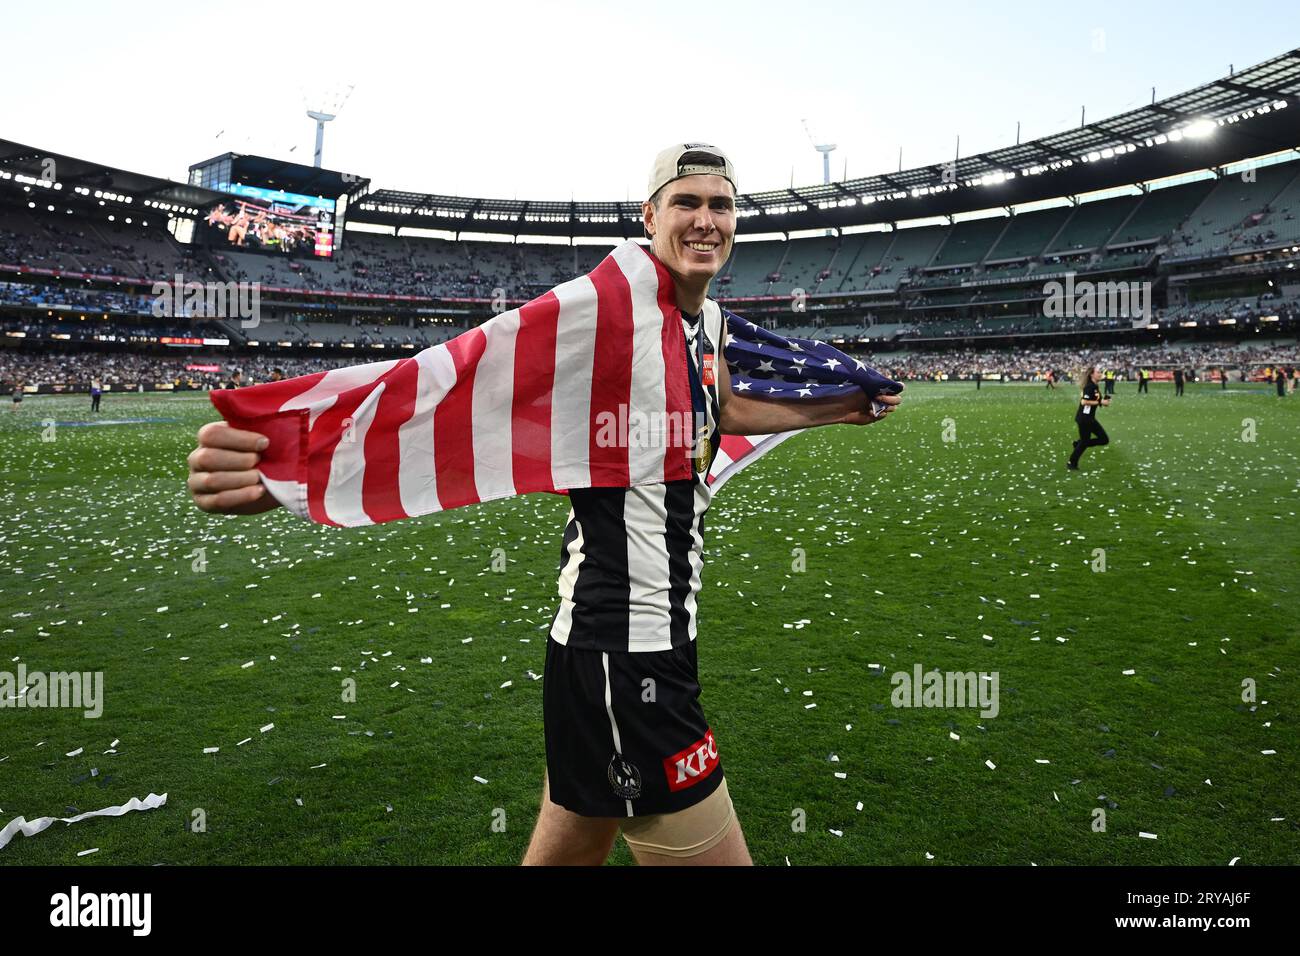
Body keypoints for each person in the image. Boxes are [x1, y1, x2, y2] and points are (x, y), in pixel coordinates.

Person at [184, 143, 902, 867]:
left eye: (721, 205)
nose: (706, 220)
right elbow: (462, 380)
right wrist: (292, 465)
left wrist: (836, 408)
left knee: (574, 845)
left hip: (631, 644)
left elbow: (721, 408)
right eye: (687, 203)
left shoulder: (703, 327)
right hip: (625, 653)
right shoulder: (608, 309)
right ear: (649, 216)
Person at [1068, 366, 1110, 470]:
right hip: (1084, 419)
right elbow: (1084, 402)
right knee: (1085, 441)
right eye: (1098, 372)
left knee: (1103, 439)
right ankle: (1072, 463)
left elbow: (1094, 400)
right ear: (1092, 374)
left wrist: (1103, 402)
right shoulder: (1090, 386)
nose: (1100, 374)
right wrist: (1100, 402)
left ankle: (1078, 444)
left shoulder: (1095, 386)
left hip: (1090, 418)